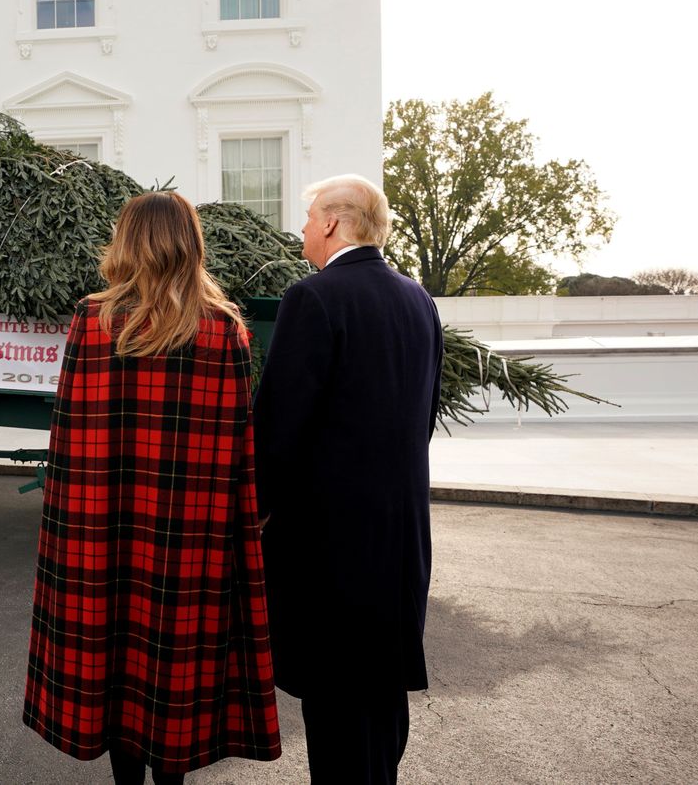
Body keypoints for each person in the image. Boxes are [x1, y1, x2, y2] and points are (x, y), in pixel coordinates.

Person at [25, 191, 281, 784]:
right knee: (172, 668)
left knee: (111, 664)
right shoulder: (224, 330)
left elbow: (67, 435)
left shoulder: (92, 321)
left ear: (127, 243)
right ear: (191, 244)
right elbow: (239, 449)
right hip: (189, 539)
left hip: (102, 529)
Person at [252, 174, 443, 783]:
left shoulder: (313, 297)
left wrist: (256, 507)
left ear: (333, 222)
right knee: (382, 700)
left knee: (336, 709)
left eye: (310, 218)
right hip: (401, 535)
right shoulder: (419, 299)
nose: (303, 229)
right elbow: (425, 414)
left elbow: (280, 424)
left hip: (332, 544)